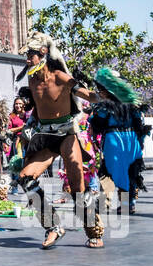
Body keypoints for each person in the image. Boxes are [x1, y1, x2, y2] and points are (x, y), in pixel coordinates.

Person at [15, 32, 102, 248]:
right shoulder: (32, 80)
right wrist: (28, 127)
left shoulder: (60, 77)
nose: (27, 59)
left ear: (43, 53)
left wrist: (104, 94)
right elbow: (38, 109)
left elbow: (87, 95)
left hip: (65, 133)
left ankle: (93, 231)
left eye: (30, 55)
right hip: (45, 136)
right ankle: (53, 227)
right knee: (25, 178)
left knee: (76, 185)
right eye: (26, 55)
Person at [90, 67, 147, 217]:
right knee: (127, 170)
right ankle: (126, 204)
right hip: (129, 139)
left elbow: (98, 124)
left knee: (111, 170)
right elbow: (140, 126)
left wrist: (92, 116)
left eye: (102, 90)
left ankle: (109, 203)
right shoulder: (131, 105)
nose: (100, 92)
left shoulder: (106, 106)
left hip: (116, 139)